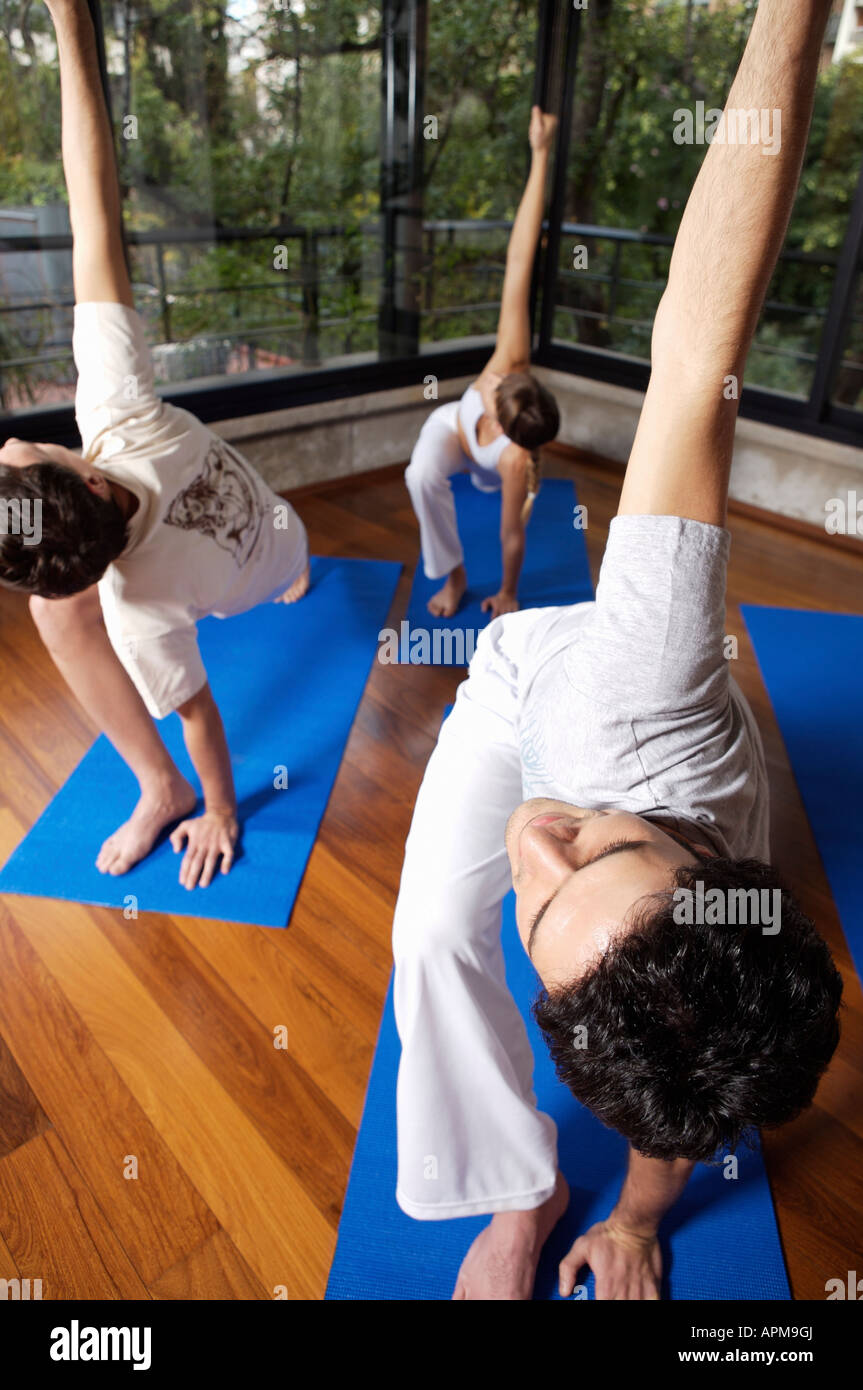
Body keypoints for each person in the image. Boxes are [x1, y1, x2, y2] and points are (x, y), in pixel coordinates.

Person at [391, 0, 842, 1300]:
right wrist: (790, 23)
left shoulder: (701, 944)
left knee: (454, 943)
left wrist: (644, 1215)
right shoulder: (652, 675)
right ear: (696, 847)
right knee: (429, 941)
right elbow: (698, 344)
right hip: (545, 673)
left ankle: (550, 1185)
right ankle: (514, 1180)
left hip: (628, 829)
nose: (534, 840)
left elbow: (693, 1071)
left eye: (536, 909)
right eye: (592, 844)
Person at [0, 0, 309, 890]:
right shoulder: (120, 406)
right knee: (268, 555)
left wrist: (225, 807)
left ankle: (163, 787)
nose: (24, 440)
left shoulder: (135, 609)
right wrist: (73, 26)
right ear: (90, 483)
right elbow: (90, 200)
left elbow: (203, 714)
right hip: (279, 533)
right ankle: (164, 788)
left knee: (50, 615)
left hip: (239, 572)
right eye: (39, 456)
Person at [405, 105, 560, 620]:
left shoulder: (516, 459)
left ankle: (482, 567)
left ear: (504, 425)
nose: (490, 389)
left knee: (495, 495)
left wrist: (510, 593)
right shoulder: (510, 358)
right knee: (421, 473)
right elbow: (521, 259)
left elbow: (510, 534)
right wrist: (540, 155)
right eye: (498, 390)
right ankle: (454, 576)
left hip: (490, 467)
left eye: (494, 404)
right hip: (452, 432)